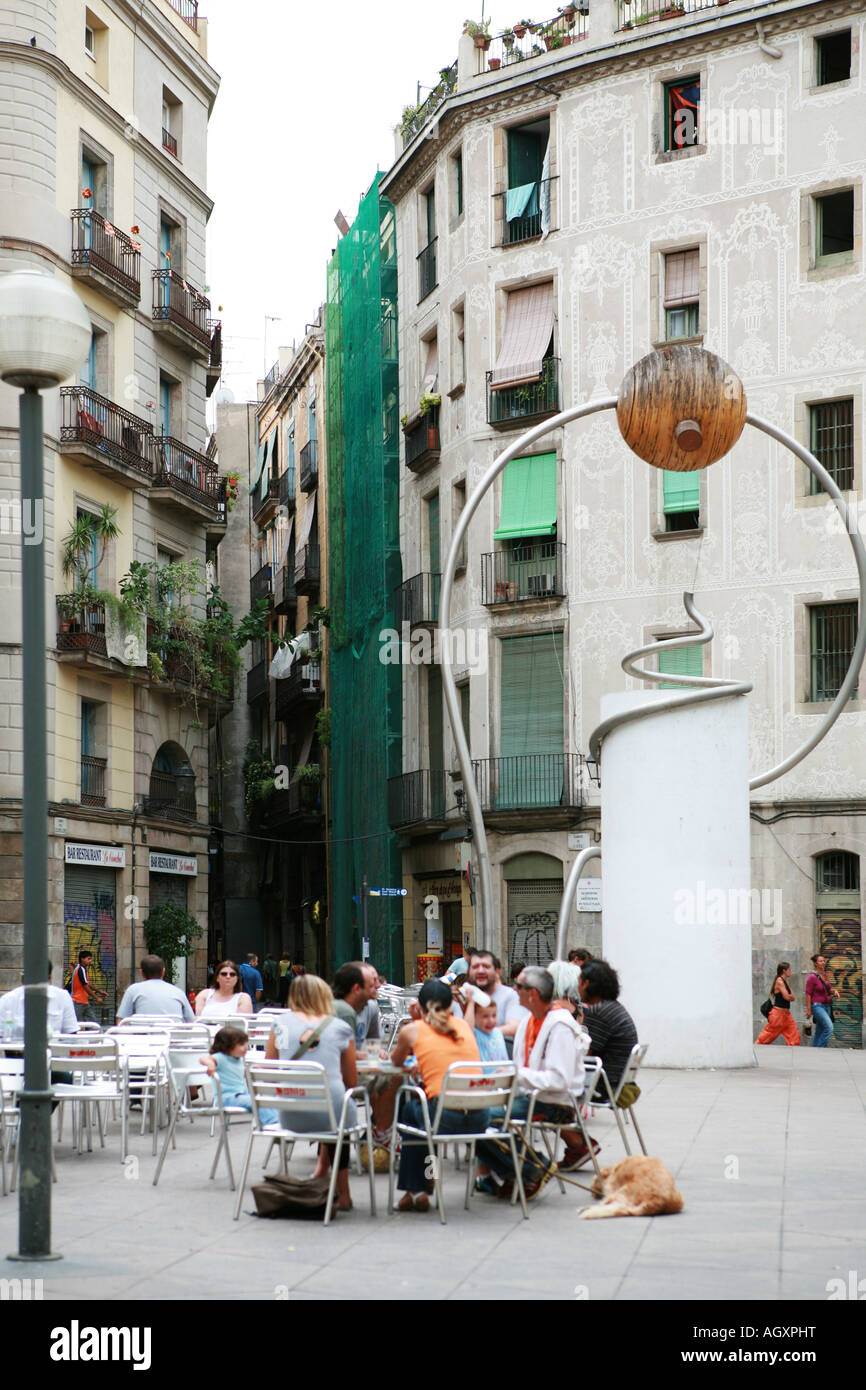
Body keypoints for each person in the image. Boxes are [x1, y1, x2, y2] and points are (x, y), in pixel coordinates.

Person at [476, 966, 590, 1199]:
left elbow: (559, 1080)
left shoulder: (560, 1026)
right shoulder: (529, 1019)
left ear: (533, 994)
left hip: (553, 1101)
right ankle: (518, 1171)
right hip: (530, 1094)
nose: (514, 989)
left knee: (481, 1119)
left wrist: (515, 1074)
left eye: (518, 986)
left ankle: (530, 1169)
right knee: (466, 1118)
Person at [389, 978, 488, 1212]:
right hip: (480, 1117)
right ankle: (422, 1186)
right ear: (451, 1004)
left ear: (420, 1006)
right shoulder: (464, 1027)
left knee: (410, 1111)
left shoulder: (413, 1030)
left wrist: (415, 1020)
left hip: (444, 1118)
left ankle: (417, 1189)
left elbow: (395, 1062)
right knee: (420, 1117)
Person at [265, 974, 357, 1212]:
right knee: (340, 1111)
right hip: (329, 1114)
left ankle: (322, 1174)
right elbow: (351, 1081)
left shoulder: (279, 1024)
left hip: (289, 1113)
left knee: (334, 1111)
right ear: (325, 995)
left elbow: (271, 1071)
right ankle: (344, 1193)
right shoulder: (340, 1028)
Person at [566, 958, 639, 1170]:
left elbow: (585, 1054)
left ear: (587, 983)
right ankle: (576, 1145)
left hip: (605, 1086)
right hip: (617, 1082)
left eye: (579, 981)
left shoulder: (599, 1012)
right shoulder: (613, 1008)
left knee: (549, 1094)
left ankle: (577, 1146)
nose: (577, 987)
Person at [200, 1026, 277, 1123]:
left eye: (245, 1043)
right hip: (227, 1097)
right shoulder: (221, 1057)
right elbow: (204, 1058)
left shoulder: (238, 1060)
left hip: (241, 1096)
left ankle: (275, 1121)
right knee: (257, 1101)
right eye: (241, 1044)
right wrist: (211, 1065)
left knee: (266, 1100)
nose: (245, 1047)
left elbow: (240, 1073)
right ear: (227, 1046)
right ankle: (272, 1123)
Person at [454, 951, 528, 1042]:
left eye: (486, 966)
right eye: (475, 967)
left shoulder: (511, 995)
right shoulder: (462, 995)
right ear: (468, 971)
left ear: (497, 971)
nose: (480, 971)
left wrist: (485, 1034)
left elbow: (515, 1026)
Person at [0, 961, 78, 1041]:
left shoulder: (62, 997)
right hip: (17, 1052)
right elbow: (2, 1037)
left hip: (54, 1051)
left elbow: (71, 1036)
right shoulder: (8, 1000)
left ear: (49, 978)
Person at [116, 955, 195, 1022]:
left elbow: (122, 1021)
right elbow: (191, 1021)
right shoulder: (178, 992)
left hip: (143, 1038)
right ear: (163, 972)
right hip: (171, 1038)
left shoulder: (133, 990)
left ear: (142, 973)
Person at [756, 962, 801, 1048]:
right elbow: (788, 997)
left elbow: (793, 997)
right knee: (765, 1038)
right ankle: (755, 1049)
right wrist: (789, 996)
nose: (790, 971)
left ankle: (793, 1057)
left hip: (787, 1015)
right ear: (784, 970)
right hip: (778, 1015)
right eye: (789, 969)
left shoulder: (785, 982)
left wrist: (789, 996)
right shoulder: (779, 981)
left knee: (794, 1038)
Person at [805, 954, 840, 1048]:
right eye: (820, 961)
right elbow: (808, 994)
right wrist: (808, 1009)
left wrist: (834, 991)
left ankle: (814, 1050)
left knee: (819, 1031)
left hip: (827, 1005)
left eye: (824, 961)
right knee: (829, 1027)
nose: (823, 962)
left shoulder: (825, 975)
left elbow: (828, 990)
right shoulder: (812, 977)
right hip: (817, 1006)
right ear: (816, 963)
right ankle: (820, 1048)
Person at [69, 949, 106, 1023]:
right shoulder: (81, 969)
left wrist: (99, 991)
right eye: (88, 959)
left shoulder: (81, 969)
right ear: (82, 959)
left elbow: (88, 984)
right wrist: (97, 998)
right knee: (76, 1024)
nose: (90, 961)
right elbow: (85, 986)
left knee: (93, 1023)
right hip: (78, 1002)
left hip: (83, 1002)